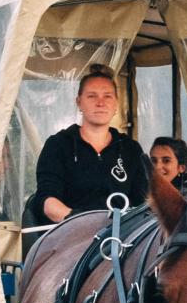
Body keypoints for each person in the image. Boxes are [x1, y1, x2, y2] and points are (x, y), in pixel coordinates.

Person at [31, 66, 148, 223]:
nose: (100, 103)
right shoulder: (58, 145)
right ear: (79, 102)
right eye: (92, 96)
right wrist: (80, 222)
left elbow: (144, 201)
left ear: (116, 104)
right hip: (71, 232)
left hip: (122, 235)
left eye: (107, 96)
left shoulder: (131, 149)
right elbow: (47, 201)